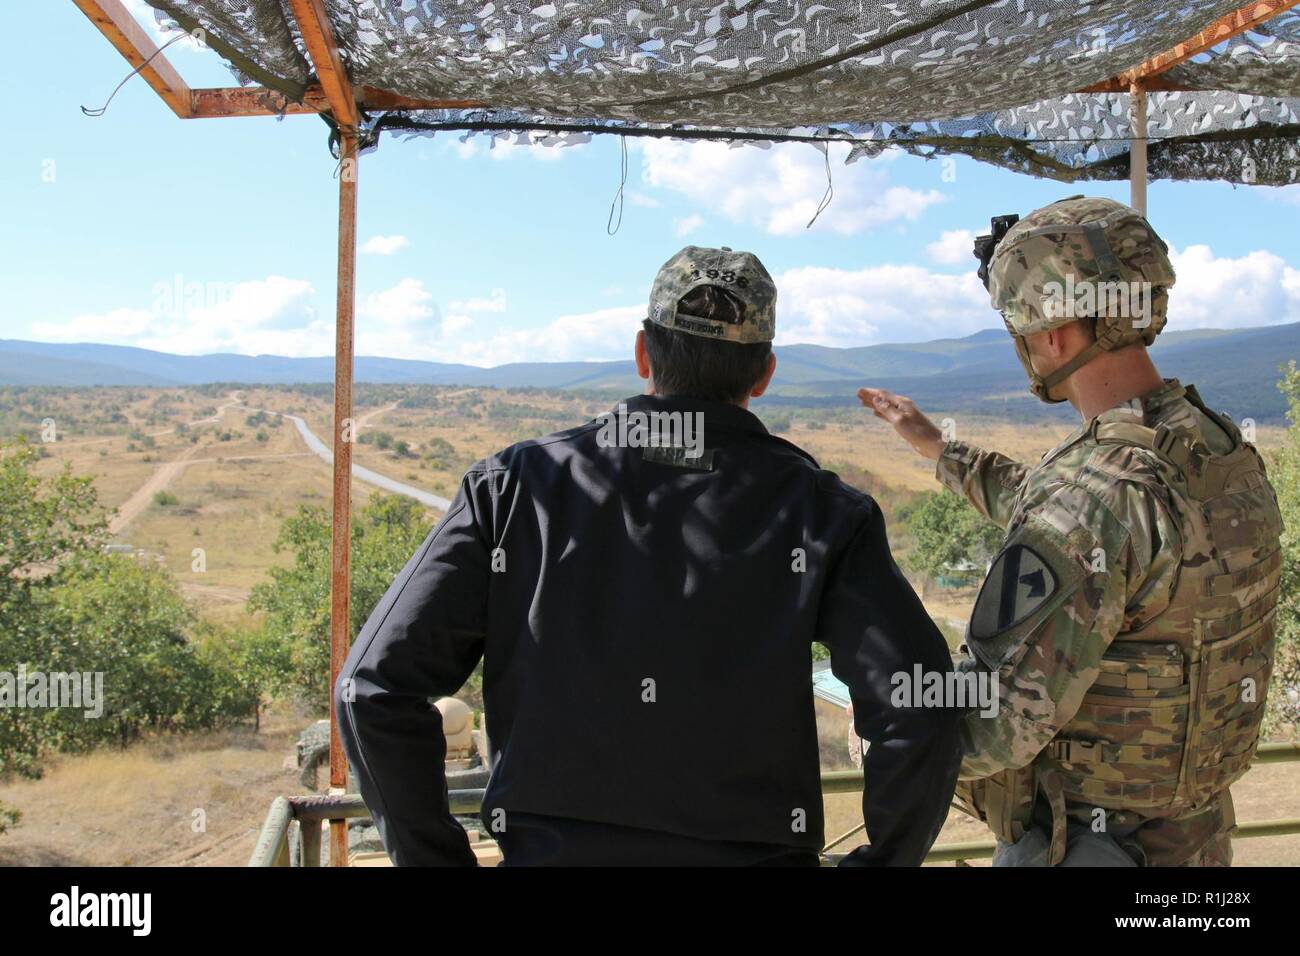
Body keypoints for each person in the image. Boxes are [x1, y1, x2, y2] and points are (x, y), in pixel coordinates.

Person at [336, 244, 961, 866]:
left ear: (643, 353)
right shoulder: (824, 511)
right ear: (765, 374)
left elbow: (372, 688)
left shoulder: (513, 487)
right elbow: (923, 703)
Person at [860, 197, 1284, 866]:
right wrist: (937, 447)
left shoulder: (1096, 494)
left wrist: (885, 726)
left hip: (1090, 846)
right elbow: (1086, 533)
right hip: (1195, 841)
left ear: (1052, 334)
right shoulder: (1217, 449)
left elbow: (998, 721)